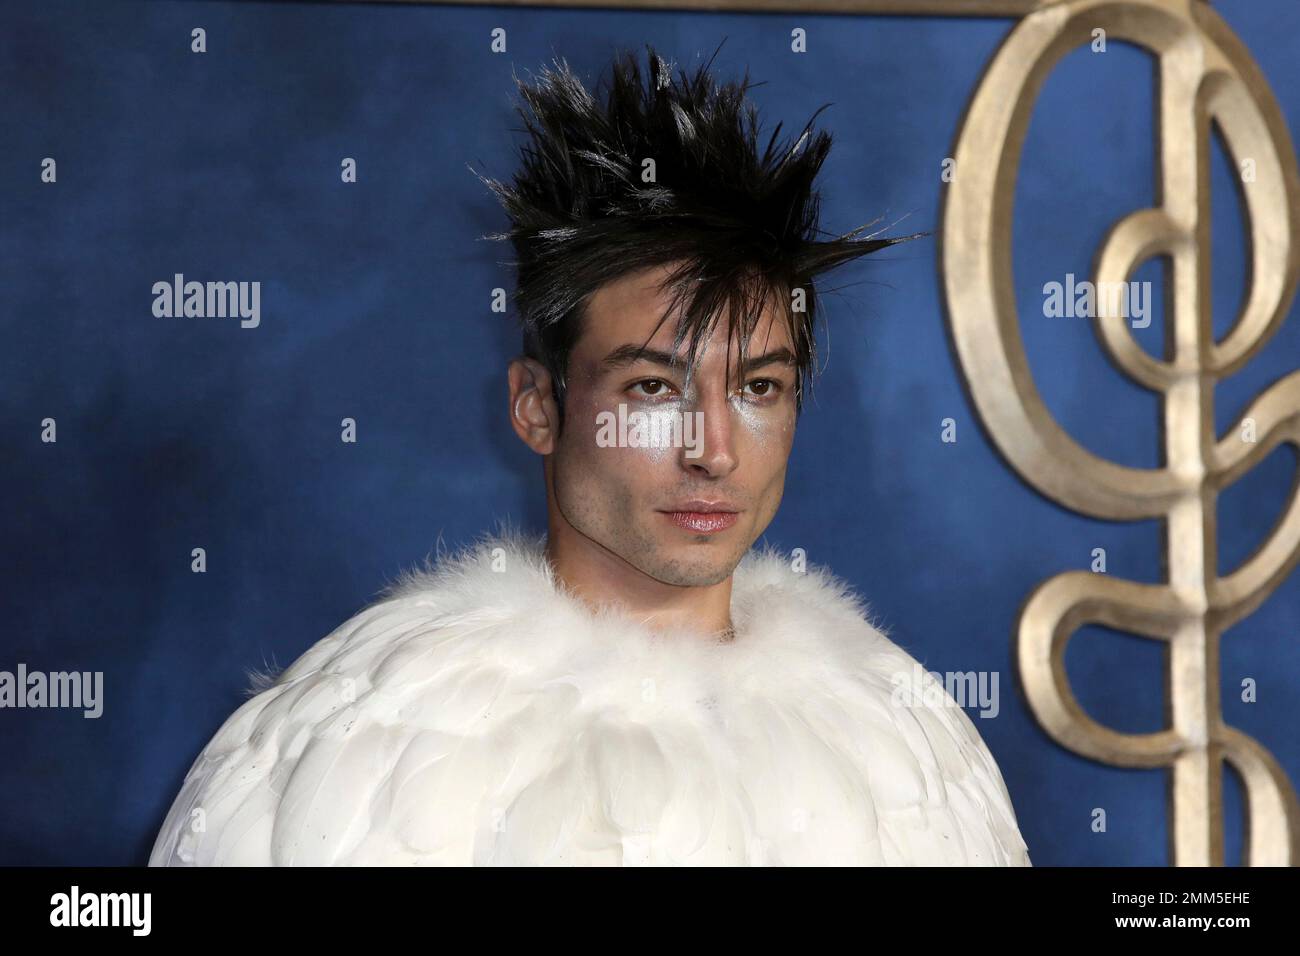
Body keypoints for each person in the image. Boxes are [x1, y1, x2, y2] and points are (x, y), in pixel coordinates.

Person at [149, 44, 1031, 866]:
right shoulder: (340, 748)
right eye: (652, 389)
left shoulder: (914, 754)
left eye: (757, 388)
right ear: (538, 407)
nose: (712, 450)